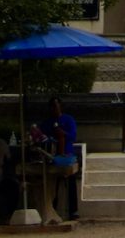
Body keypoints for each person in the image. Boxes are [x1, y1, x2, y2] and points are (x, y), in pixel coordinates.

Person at [49, 93, 80, 222]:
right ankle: (51, 208)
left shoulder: (68, 120)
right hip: (52, 155)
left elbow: (72, 136)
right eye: (52, 106)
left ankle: (73, 210)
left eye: (57, 106)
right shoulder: (47, 122)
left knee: (71, 179)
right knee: (50, 181)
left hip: (67, 154)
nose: (55, 109)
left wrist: (63, 134)